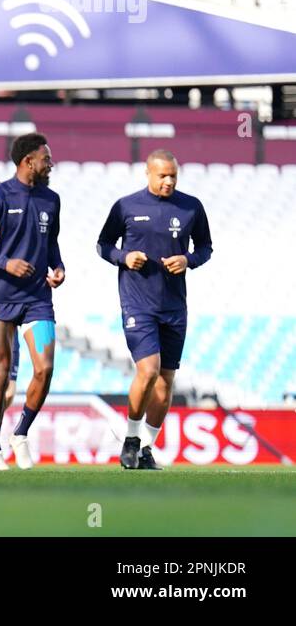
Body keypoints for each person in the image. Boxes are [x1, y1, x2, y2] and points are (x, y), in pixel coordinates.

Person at [97, 149, 212, 470]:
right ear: (148, 173)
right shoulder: (127, 206)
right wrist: (124, 257)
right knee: (148, 370)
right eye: (163, 175)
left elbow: (205, 248)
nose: (169, 181)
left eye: (173, 175)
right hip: (138, 303)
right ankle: (131, 439)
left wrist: (188, 260)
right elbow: (103, 244)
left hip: (174, 306)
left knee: (165, 381)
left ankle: (145, 447)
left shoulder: (191, 207)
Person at [0, 134, 64, 471]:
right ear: (28, 161)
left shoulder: (52, 200)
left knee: (45, 368)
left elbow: (51, 244)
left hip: (38, 300)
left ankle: (21, 432)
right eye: (46, 158)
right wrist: (6, 263)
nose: (50, 164)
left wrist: (59, 267)